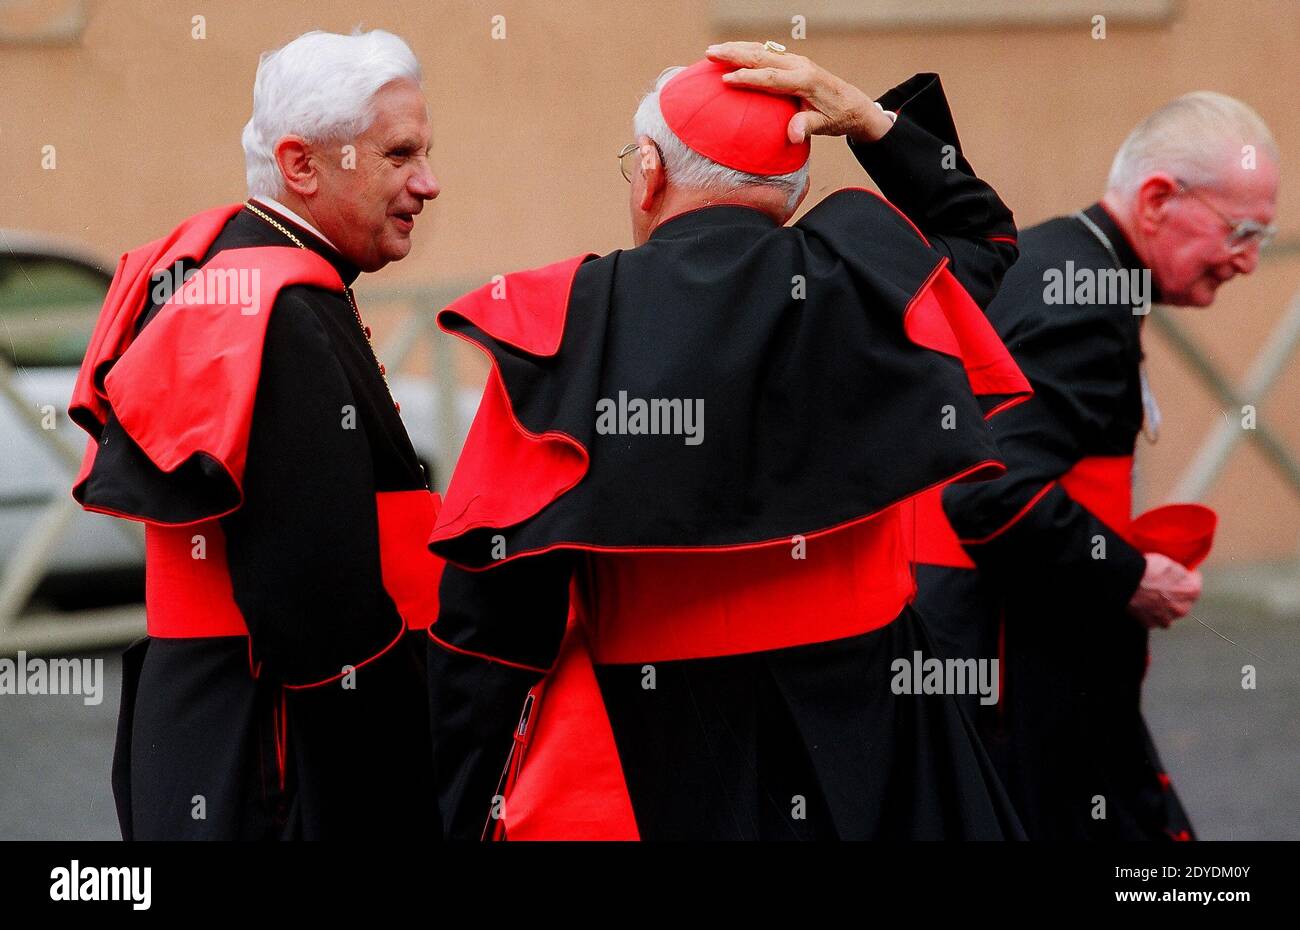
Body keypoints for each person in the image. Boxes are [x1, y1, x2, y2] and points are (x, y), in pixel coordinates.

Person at [425, 42, 1032, 840]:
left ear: (648, 169)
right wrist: (870, 120)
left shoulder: (565, 322)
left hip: (667, 740)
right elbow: (982, 234)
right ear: (799, 188)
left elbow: (495, 623)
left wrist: (461, 797)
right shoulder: (867, 275)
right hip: (877, 719)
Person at [69, 29, 444, 839]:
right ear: (303, 165)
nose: (429, 182)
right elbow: (314, 602)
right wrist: (411, 765)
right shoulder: (279, 311)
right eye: (399, 154)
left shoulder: (216, 265)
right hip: (275, 747)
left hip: (206, 720)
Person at [909, 92, 1280, 840]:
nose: (1248, 260)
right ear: (1157, 200)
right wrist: (1131, 575)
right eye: (1240, 231)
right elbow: (991, 492)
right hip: (1024, 684)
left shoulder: (1064, 259)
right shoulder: (1081, 300)